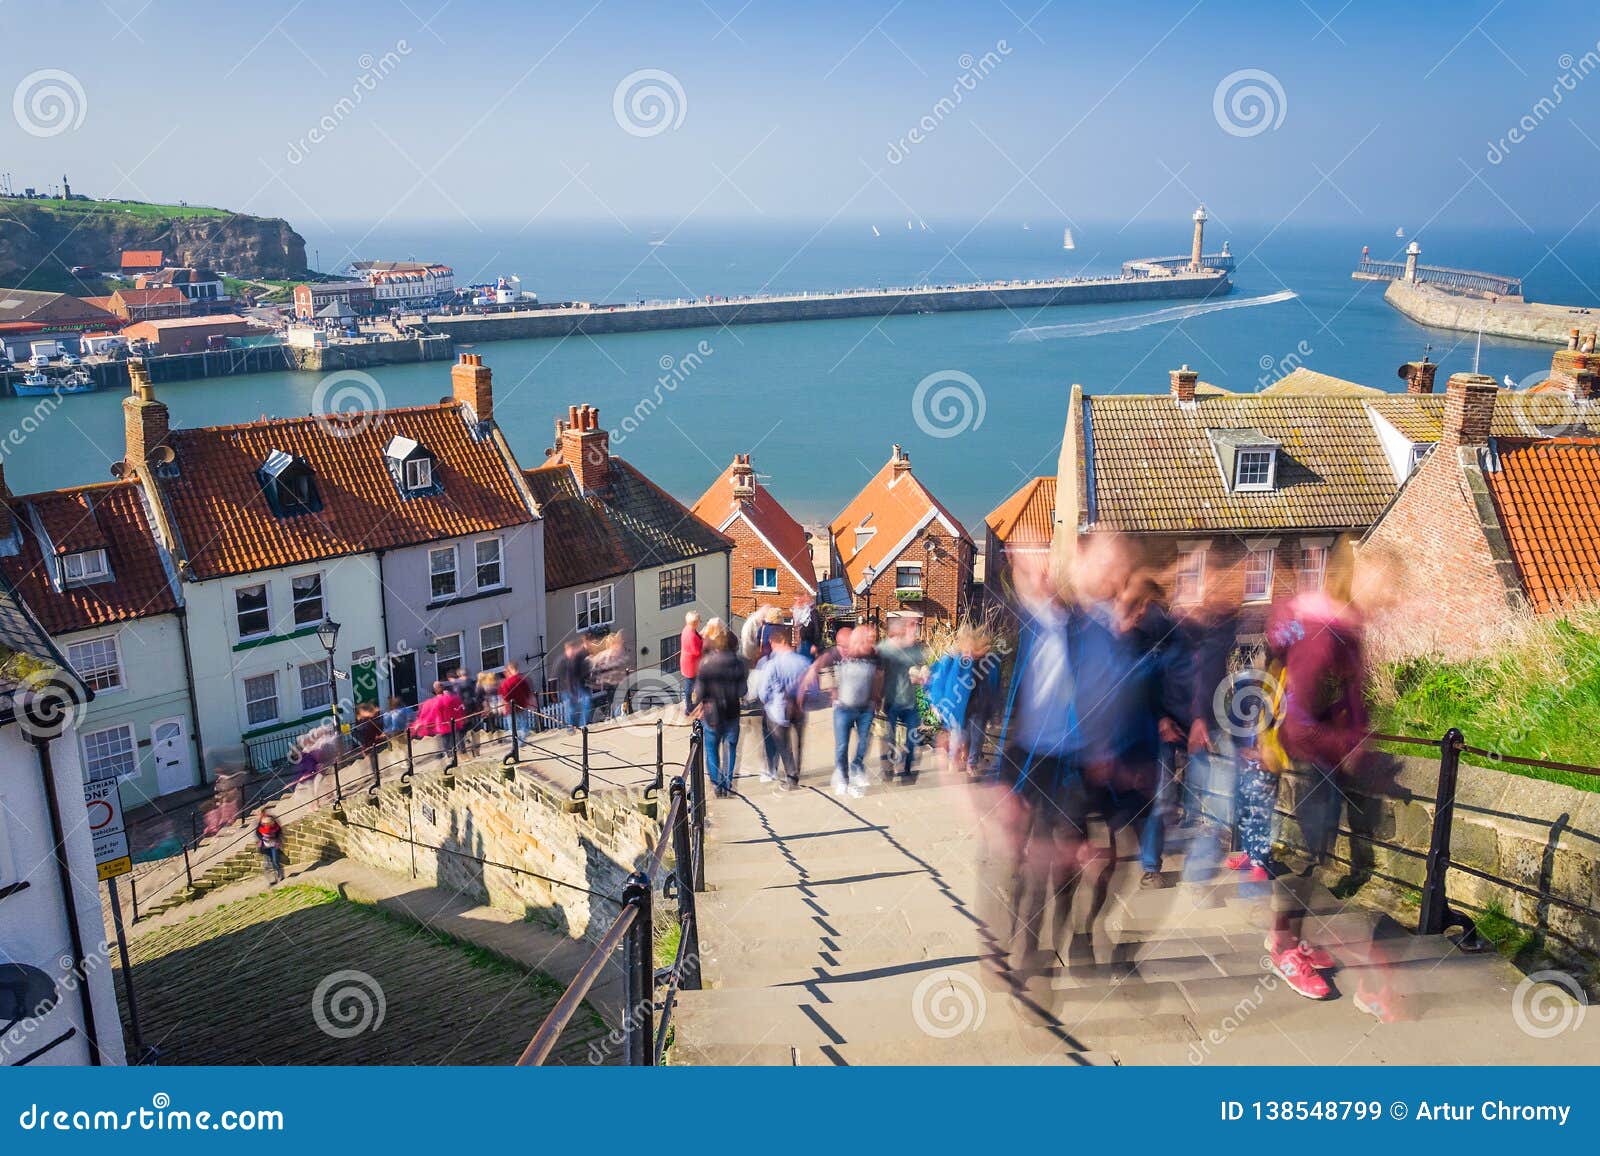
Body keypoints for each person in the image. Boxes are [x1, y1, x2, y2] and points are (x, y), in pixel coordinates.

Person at [803, 623, 883, 798]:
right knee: (842, 746)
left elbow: (879, 676)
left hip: (865, 708)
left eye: (872, 639)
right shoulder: (835, 654)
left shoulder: (873, 656)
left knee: (863, 742)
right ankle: (842, 777)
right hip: (843, 708)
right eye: (841, 646)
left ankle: (856, 767)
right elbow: (817, 668)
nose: (843, 650)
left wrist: (877, 697)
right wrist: (828, 690)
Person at [926, 624, 1000, 776]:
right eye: (966, 649)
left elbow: (995, 688)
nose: (969, 652)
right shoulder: (957, 661)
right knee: (959, 735)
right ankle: (954, 759)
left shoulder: (989, 662)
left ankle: (971, 764)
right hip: (960, 707)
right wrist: (938, 703)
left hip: (980, 705)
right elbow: (943, 679)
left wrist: (995, 711)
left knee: (977, 738)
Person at [693, 621, 748, 796]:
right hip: (732, 711)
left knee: (711, 750)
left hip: (712, 714)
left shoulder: (706, 664)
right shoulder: (740, 663)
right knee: (731, 749)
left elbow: (700, 693)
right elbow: (743, 690)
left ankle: (717, 785)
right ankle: (727, 782)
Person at [876, 613, 928, 783]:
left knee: (912, 737)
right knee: (888, 738)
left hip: (909, 701)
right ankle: (888, 770)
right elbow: (877, 673)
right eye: (900, 631)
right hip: (890, 701)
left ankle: (906, 769)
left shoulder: (911, 649)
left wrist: (923, 672)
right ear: (892, 633)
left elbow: (921, 665)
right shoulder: (884, 649)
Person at [755, 630, 810, 789]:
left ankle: (791, 776)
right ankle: (797, 770)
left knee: (784, 745)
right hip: (800, 708)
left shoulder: (772, 665)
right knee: (799, 741)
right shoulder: (804, 661)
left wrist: (767, 701)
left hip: (778, 709)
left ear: (776, 643)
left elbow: (763, 692)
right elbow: (813, 687)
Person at [411, 680, 467, 757]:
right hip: (453, 724)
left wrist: (420, 724)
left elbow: (427, 715)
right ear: (443, 688)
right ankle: (461, 755)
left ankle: (452, 758)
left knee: (447, 744)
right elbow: (459, 708)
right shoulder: (451, 698)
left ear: (435, 690)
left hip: (443, 726)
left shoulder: (432, 702)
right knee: (457, 741)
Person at [554, 640, 592, 731]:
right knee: (570, 709)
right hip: (565, 689)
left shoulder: (573, 660)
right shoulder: (561, 662)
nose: (573, 652)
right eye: (572, 650)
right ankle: (570, 728)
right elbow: (556, 677)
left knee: (585, 702)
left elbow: (578, 673)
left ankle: (582, 725)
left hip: (576, 686)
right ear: (567, 649)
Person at [499, 660, 536, 739]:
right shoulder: (523, 679)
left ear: (509, 670)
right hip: (522, 705)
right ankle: (522, 739)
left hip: (511, 708)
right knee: (523, 726)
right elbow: (529, 693)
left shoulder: (506, 683)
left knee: (514, 728)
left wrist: (503, 707)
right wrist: (531, 703)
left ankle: (519, 741)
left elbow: (504, 697)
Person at [678, 611, 704, 713]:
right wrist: (704, 643)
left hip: (687, 662)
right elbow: (697, 651)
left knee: (691, 684)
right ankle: (688, 708)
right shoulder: (691, 635)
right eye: (698, 621)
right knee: (690, 685)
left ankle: (692, 704)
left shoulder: (687, 629)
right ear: (695, 622)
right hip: (691, 665)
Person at [256, 809, 285, 885]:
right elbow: (258, 833)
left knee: (275, 861)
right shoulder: (260, 824)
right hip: (265, 847)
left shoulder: (273, 823)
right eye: (265, 824)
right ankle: (273, 879)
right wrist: (262, 839)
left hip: (273, 845)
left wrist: (276, 838)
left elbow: (278, 831)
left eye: (268, 824)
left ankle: (280, 874)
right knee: (268, 864)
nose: (266, 825)